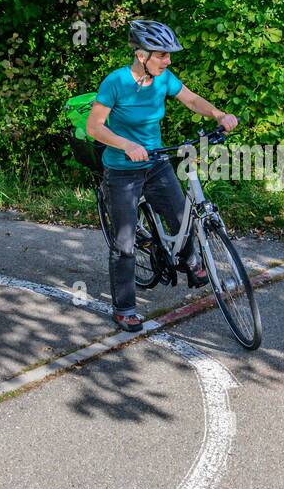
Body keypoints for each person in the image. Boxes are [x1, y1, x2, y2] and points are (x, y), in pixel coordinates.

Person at [86, 20, 238, 331]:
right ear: (142, 56)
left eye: (169, 56)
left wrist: (218, 114)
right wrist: (126, 144)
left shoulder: (163, 79)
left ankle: (191, 261)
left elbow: (192, 99)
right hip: (123, 170)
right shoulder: (115, 82)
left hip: (156, 162)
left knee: (182, 214)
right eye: (162, 55)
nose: (168, 61)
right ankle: (124, 307)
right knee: (125, 242)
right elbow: (94, 127)